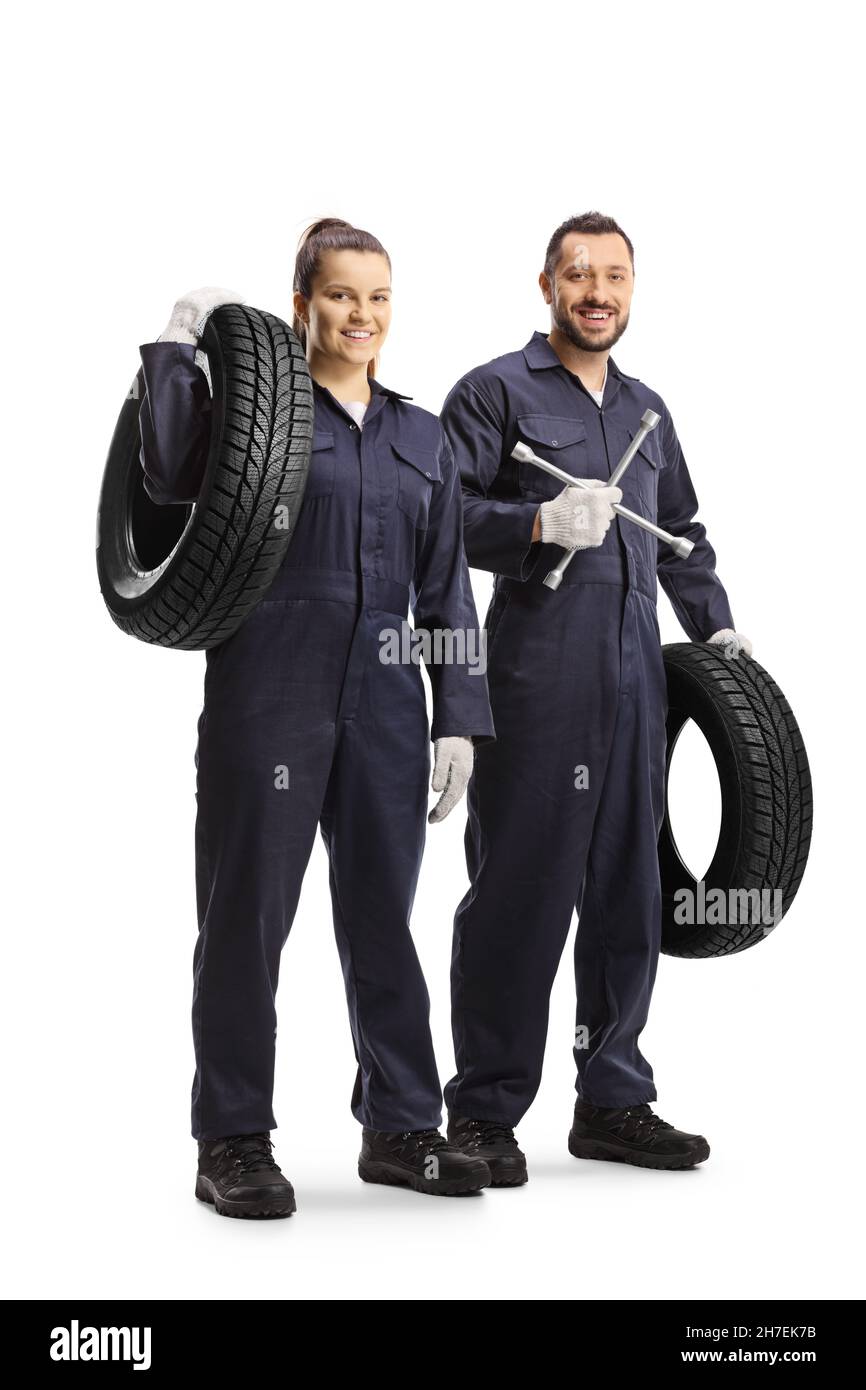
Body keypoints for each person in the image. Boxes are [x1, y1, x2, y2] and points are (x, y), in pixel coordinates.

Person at [137, 218, 495, 1216]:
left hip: (385, 698)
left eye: (377, 297)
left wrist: (454, 715)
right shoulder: (264, 415)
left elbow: (444, 591)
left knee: (383, 915)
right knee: (247, 920)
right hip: (270, 690)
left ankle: (400, 1127)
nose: (362, 315)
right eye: (341, 295)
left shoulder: (421, 437)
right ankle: (233, 1140)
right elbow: (166, 479)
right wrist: (176, 349)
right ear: (302, 304)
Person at [439, 211, 753, 1183]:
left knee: (627, 893)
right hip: (534, 681)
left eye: (612, 276)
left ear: (630, 287)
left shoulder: (646, 409)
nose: (596, 292)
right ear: (545, 286)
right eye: (577, 275)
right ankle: (485, 1110)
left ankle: (612, 1099)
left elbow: (682, 531)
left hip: (635, 684)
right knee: (519, 893)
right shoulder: (492, 392)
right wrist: (534, 521)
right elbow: (435, 518)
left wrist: (714, 626)